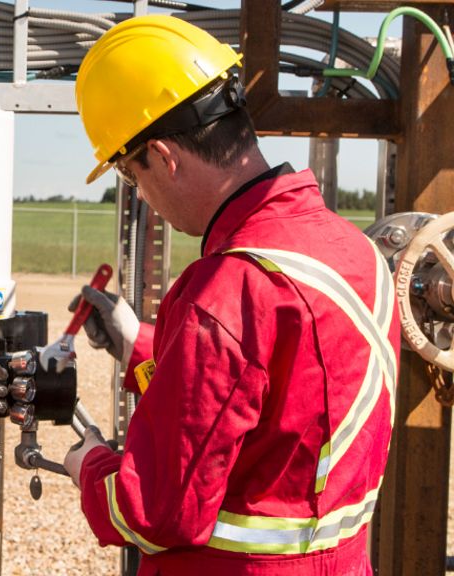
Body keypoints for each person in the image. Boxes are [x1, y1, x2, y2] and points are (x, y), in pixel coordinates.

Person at [61, 15, 400, 575]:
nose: (140, 193)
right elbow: (286, 394)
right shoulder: (353, 250)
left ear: (165, 157)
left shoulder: (227, 290)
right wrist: (138, 342)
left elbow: (153, 509)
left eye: (129, 174)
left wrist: (88, 465)